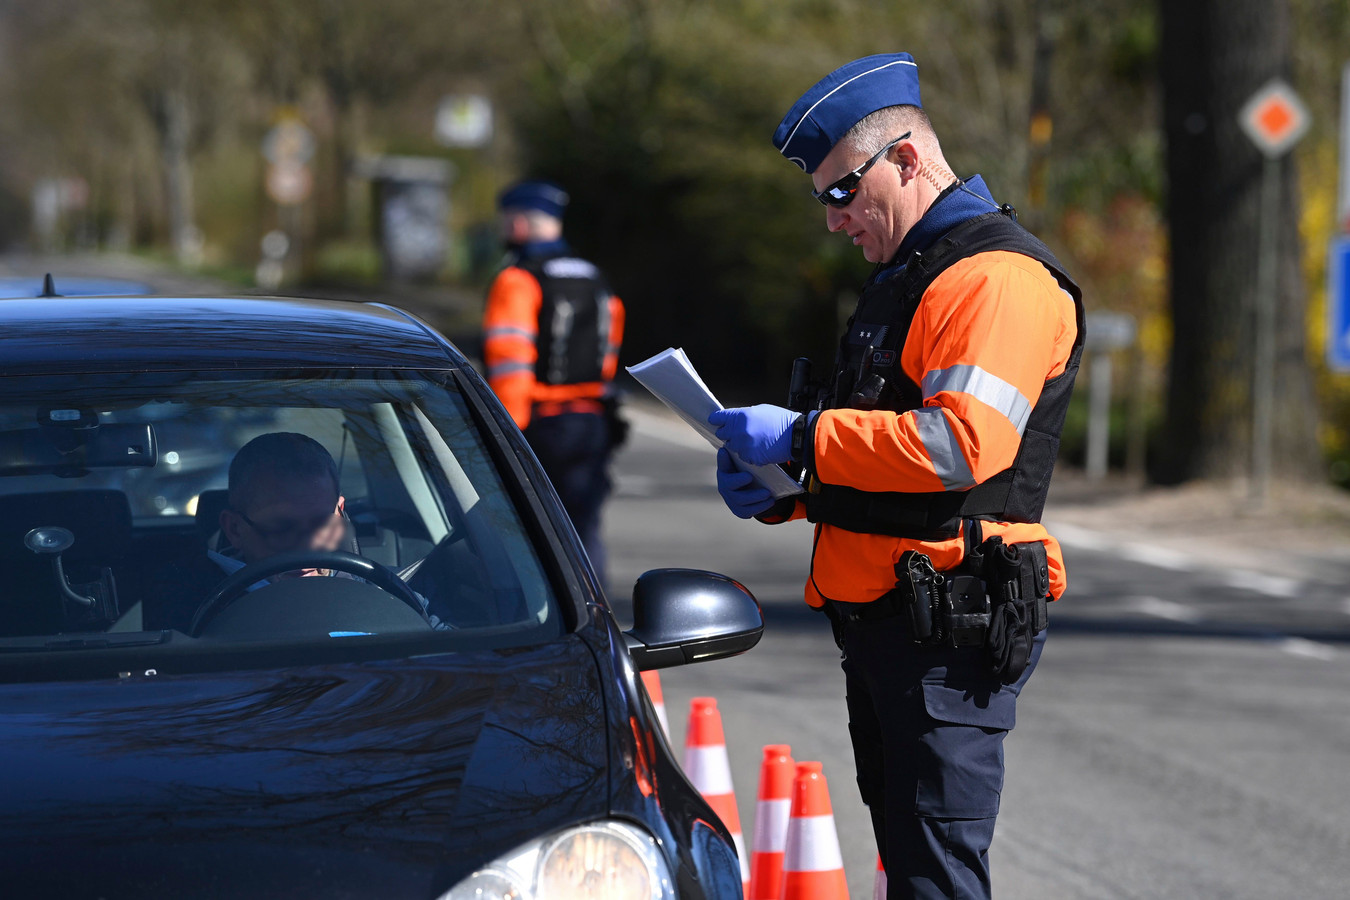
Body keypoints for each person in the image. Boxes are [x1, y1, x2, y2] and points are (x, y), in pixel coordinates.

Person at [707, 53, 1083, 899]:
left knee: (937, 879)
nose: (834, 220)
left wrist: (802, 439)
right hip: (892, 624)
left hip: (948, 630)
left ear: (909, 159)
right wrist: (788, 489)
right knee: (911, 868)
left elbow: (958, 450)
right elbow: (891, 453)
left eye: (843, 192)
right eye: (822, 200)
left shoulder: (995, 279)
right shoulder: (911, 281)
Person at [482, 180, 626, 586]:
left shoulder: (518, 279)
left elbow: (510, 364)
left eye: (507, 221)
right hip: (592, 423)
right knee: (584, 532)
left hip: (540, 424)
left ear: (522, 222)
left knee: (526, 534)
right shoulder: (596, 278)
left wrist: (505, 434)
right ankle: (597, 618)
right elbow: (607, 354)